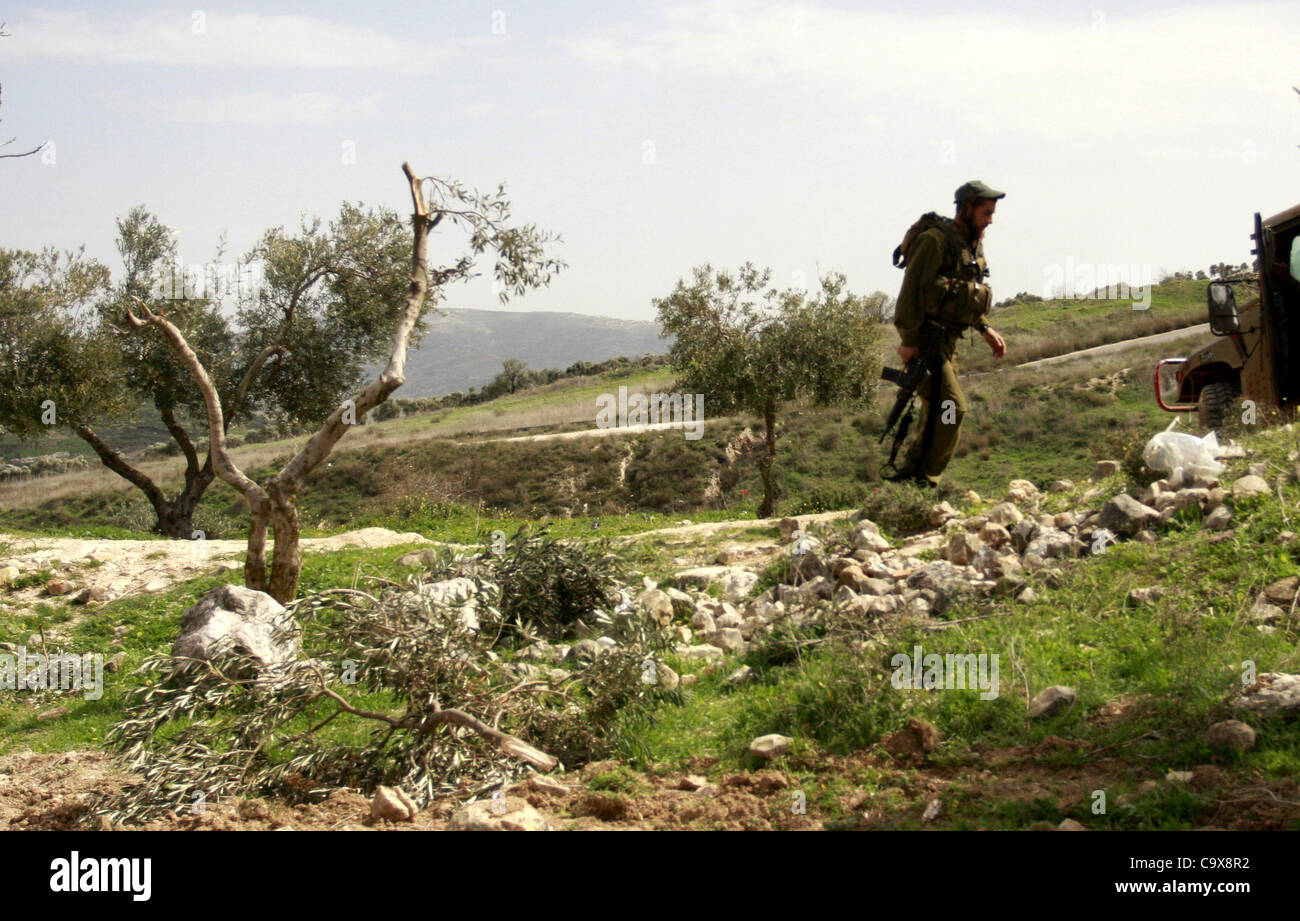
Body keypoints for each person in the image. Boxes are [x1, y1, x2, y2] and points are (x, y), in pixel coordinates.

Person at [888, 180, 1008, 487]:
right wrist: (909, 342)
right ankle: (926, 480)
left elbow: (967, 295)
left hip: (948, 342)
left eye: (993, 214)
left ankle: (912, 477)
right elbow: (910, 295)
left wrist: (984, 328)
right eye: (986, 213)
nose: (991, 220)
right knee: (952, 408)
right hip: (927, 341)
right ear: (967, 208)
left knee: (939, 410)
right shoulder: (935, 241)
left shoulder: (971, 243)